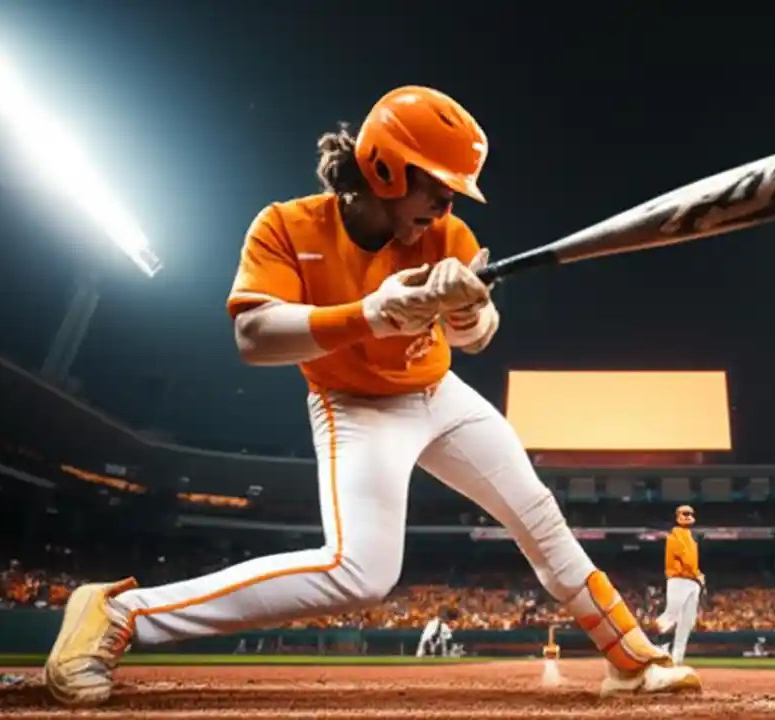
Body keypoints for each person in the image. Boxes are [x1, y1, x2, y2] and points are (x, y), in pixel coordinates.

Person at [42, 85, 700, 705]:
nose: (446, 210)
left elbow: (477, 336)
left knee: (537, 512)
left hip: (439, 394)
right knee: (362, 572)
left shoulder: (446, 237)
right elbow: (254, 335)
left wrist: (468, 311)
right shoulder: (286, 228)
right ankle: (118, 613)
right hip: (354, 407)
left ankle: (630, 660)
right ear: (386, 170)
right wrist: (373, 314)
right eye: (438, 191)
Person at [654, 505, 704, 664]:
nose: (688, 516)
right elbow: (685, 557)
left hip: (692, 581)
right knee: (671, 616)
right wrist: (698, 574)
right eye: (684, 514)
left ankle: (677, 660)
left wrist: (697, 576)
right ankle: (658, 646)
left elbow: (691, 561)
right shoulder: (675, 534)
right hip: (678, 579)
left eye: (690, 513)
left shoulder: (690, 536)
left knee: (687, 622)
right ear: (677, 516)